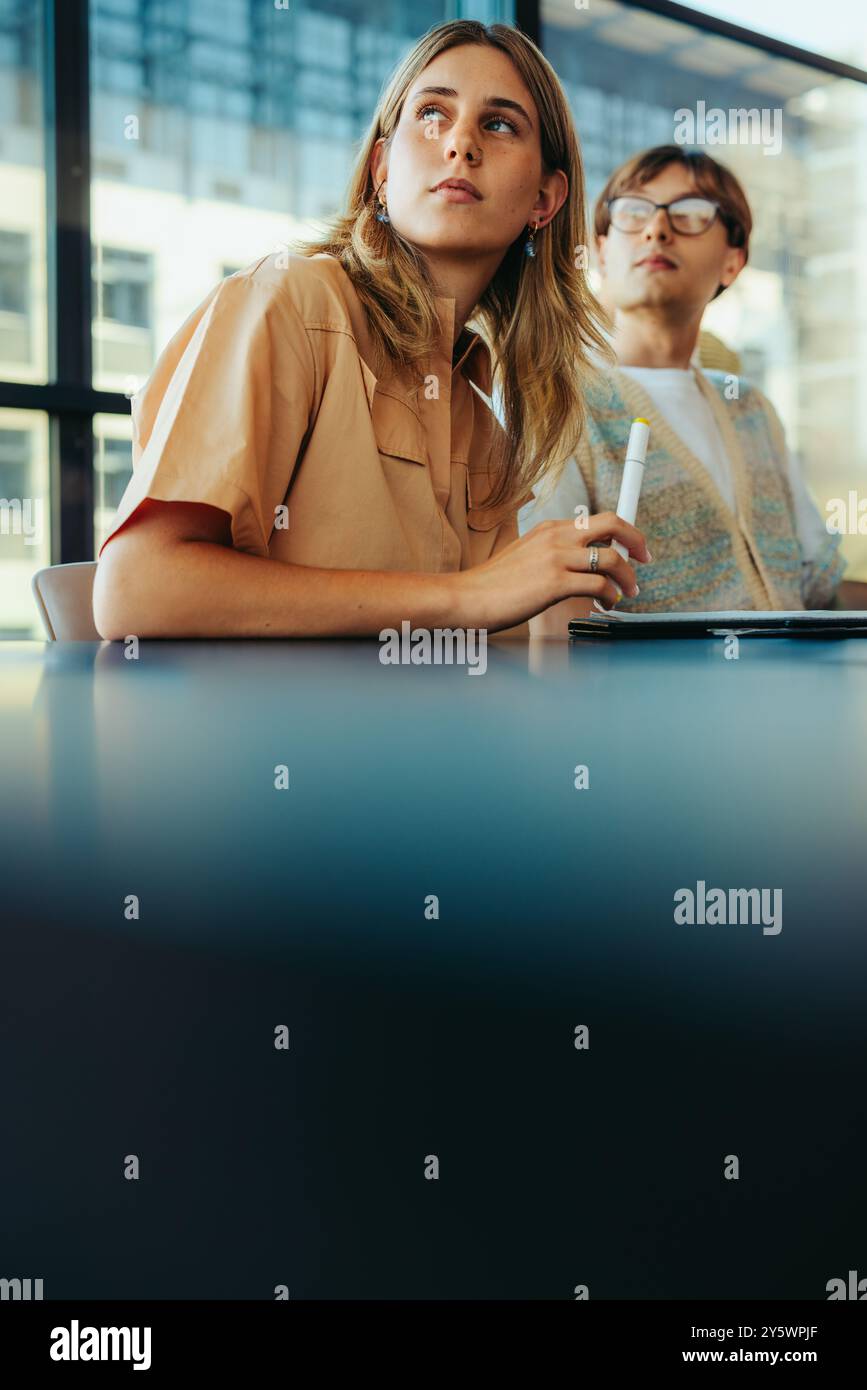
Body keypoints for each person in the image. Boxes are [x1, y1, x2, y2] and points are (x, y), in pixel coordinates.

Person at [92, 19, 650, 643]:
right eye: (432, 114)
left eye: (498, 124)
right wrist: (468, 596)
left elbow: (484, 666)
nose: (460, 142)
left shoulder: (484, 428)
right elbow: (135, 588)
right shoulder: (292, 301)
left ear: (545, 200)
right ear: (382, 168)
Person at [519, 145, 860, 635]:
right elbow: (556, 617)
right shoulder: (555, 403)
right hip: (653, 705)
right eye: (633, 213)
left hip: (790, 698)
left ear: (733, 261)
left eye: (691, 215)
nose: (657, 230)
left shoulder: (752, 410)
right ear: (601, 251)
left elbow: (820, 583)